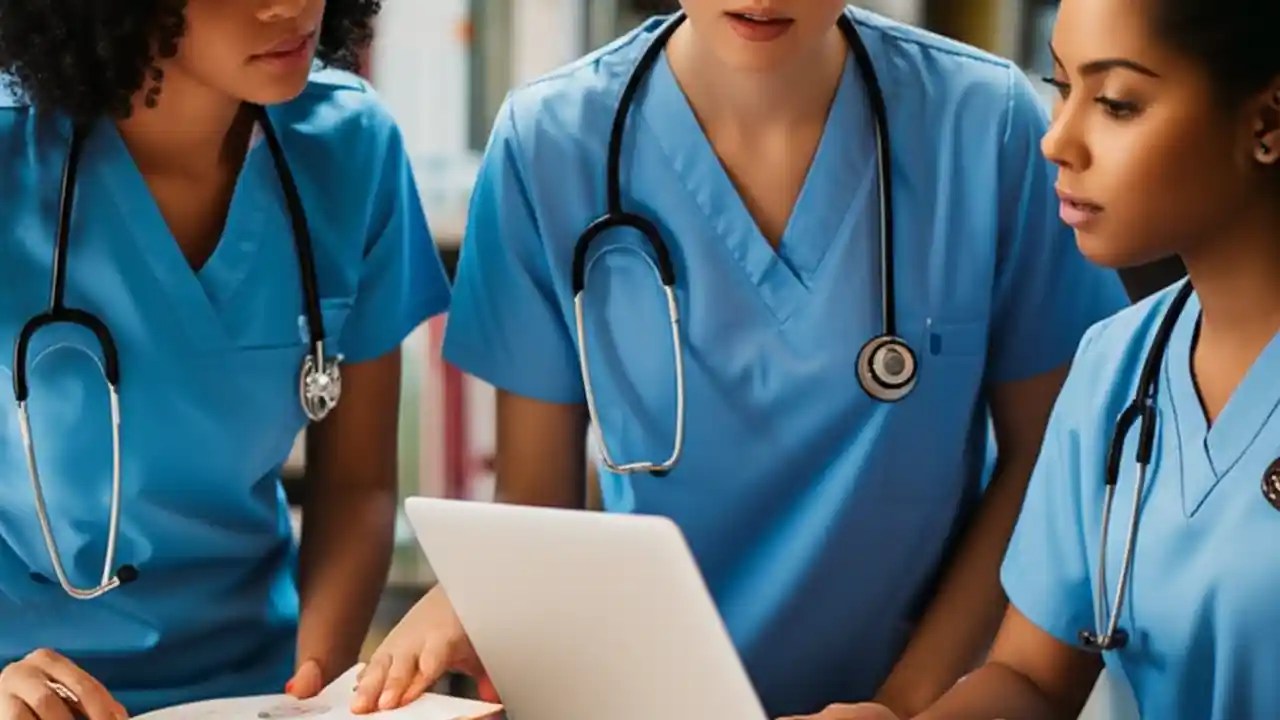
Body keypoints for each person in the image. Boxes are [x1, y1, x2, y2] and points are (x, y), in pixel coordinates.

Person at [357, 2, 1128, 718]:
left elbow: (1047, 465)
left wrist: (899, 704)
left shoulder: (986, 127)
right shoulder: (548, 143)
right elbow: (534, 504)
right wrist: (476, 597)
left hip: (925, 697)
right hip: (640, 698)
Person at [0, 0, 451, 717]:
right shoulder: (9, 160)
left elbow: (358, 485)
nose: (294, 4)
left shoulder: (351, 146)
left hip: (255, 689)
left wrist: (315, 687)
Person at [847, 0, 1280, 718]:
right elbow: (1032, 681)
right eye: (1061, 88)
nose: (1057, 140)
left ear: (1267, 122)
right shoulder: (1117, 367)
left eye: (1115, 103)